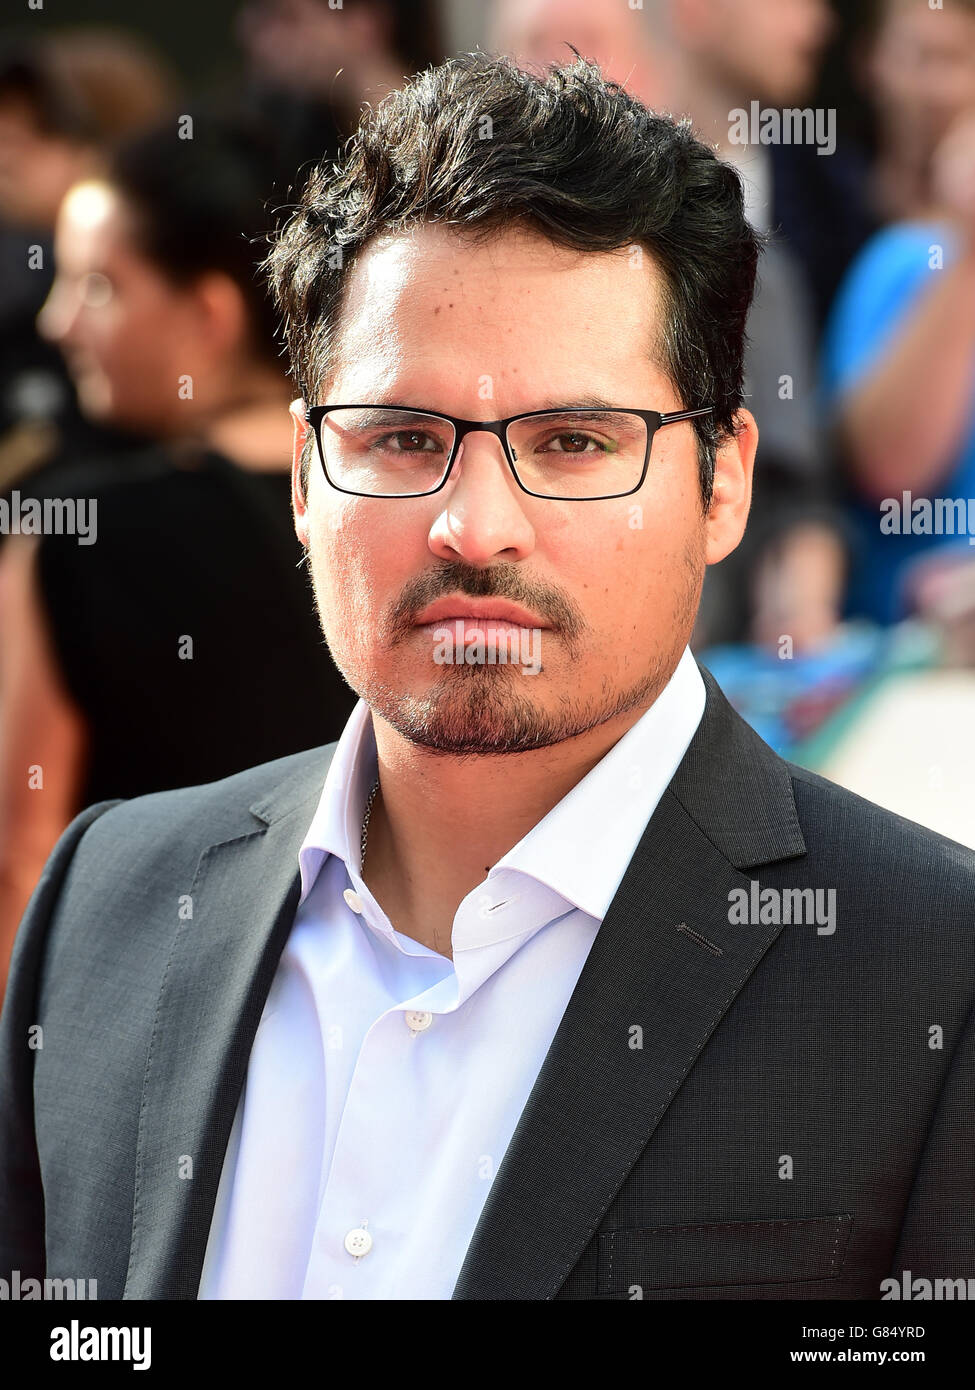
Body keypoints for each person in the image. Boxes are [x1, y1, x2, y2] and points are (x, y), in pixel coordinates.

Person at [1, 53, 973, 1302]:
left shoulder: (927, 972)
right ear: (306, 479)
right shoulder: (108, 904)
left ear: (721, 483)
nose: (475, 523)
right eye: (403, 438)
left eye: (573, 443)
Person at [0, 112, 358, 998]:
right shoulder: (394, 497)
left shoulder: (76, 530)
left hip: (133, 1023)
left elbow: (15, 858)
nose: (58, 322)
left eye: (98, 287)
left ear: (207, 313)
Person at [821, 0, 975, 627]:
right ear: (872, 66)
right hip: (906, 648)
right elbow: (890, 469)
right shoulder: (895, 262)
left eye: (957, 61)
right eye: (921, 58)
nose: (937, 88)